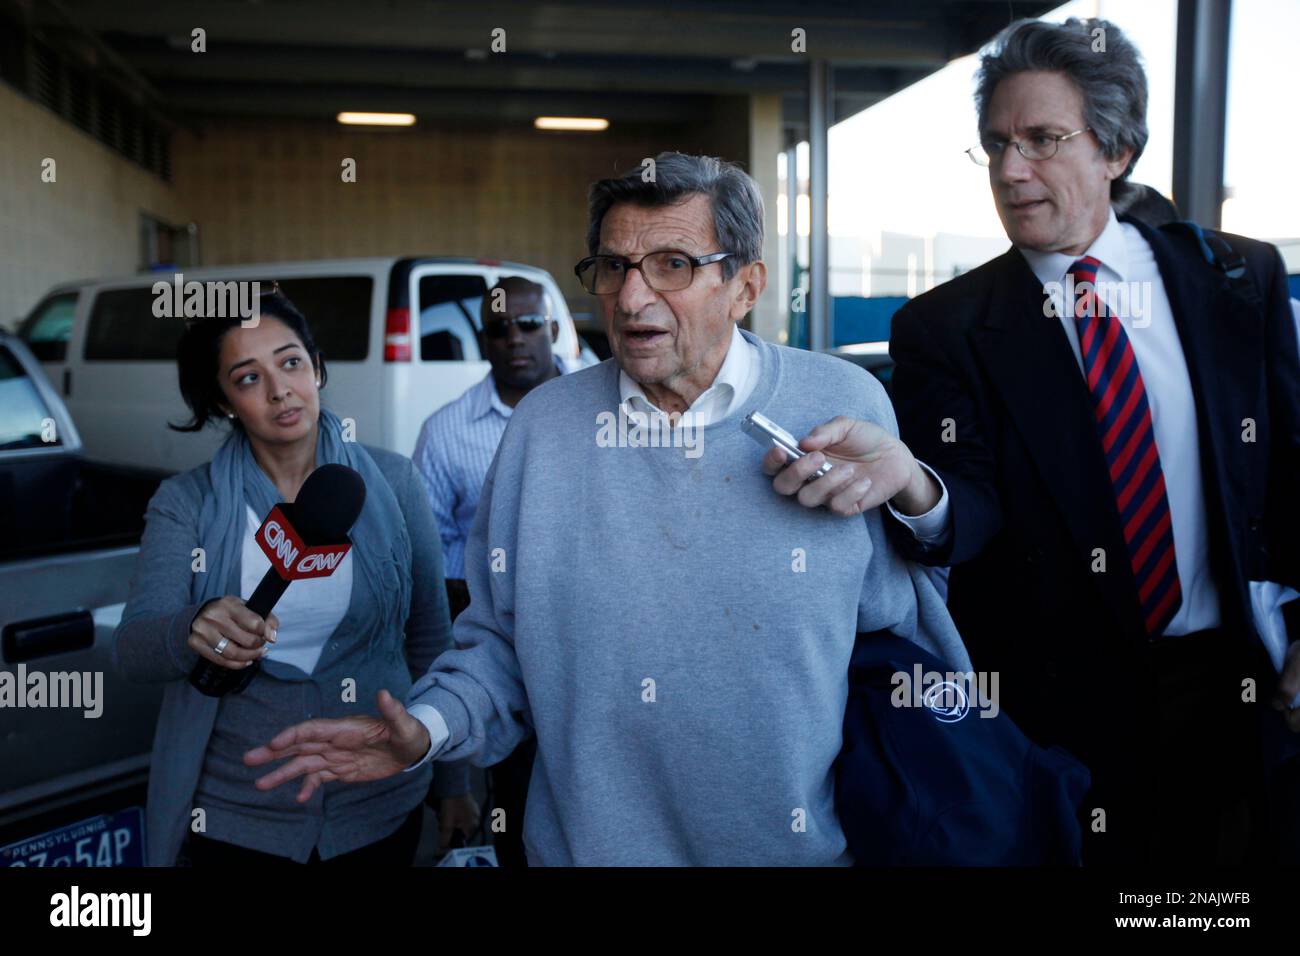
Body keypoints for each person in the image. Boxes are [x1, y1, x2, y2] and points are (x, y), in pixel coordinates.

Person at [244, 152, 972, 866]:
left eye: (672, 265)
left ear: (746, 284)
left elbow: (907, 632)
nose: (631, 298)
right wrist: (426, 728)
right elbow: (500, 642)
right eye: (615, 266)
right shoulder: (544, 429)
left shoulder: (839, 404)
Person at [762, 18, 1300, 865]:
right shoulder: (948, 326)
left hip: (1230, 694)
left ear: (1117, 149)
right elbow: (972, 499)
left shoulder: (1237, 280)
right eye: (996, 145)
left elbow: (1287, 473)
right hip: (1050, 718)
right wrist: (912, 481)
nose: (1012, 172)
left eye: (1043, 140)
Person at [112, 288, 478, 866]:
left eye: (290, 362)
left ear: (316, 367)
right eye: (248, 377)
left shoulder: (394, 481)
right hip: (237, 817)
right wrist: (192, 628)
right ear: (225, 401)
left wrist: (452, 782)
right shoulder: (186, 502)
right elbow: (133, 649)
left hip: (378, 806)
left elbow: (432, 641)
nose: (281, 390)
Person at [411, 275, 566, 866]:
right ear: (483, 340)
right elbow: (431, 554)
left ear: (552, 330)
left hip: (599, 655)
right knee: (520, 808)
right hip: (506, 655)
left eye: (528, 325)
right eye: (498, 329)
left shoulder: (608, 408)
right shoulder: (446, 432)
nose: (515, 339)